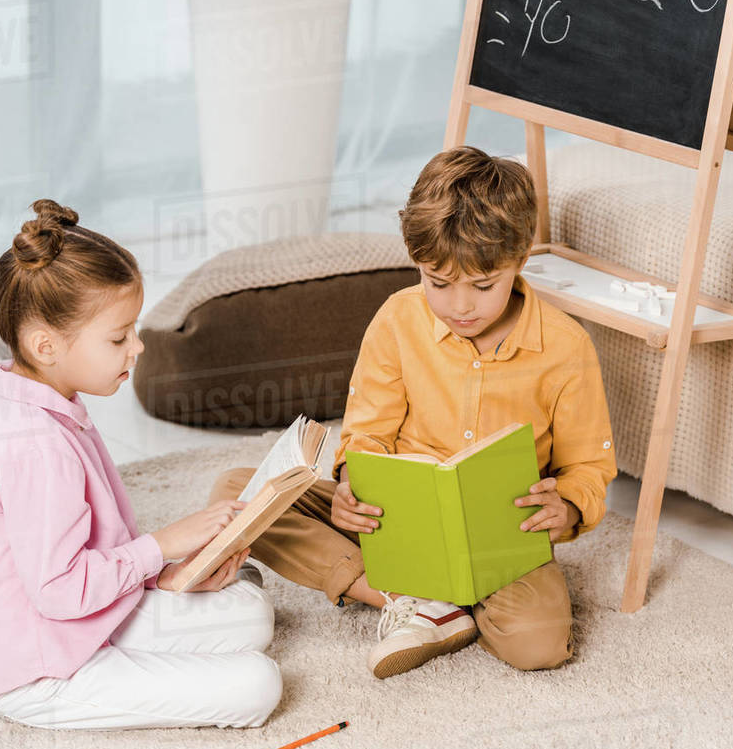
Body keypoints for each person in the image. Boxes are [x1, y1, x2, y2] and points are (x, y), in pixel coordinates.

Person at [210, 147, 617, 678]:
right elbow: (367, 433)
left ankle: (433, 603)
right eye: (438, 283)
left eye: (483, 285)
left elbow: (589, 466)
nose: (461, 306)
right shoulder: (397, 319)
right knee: (238, 496)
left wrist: (567, 505)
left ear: (519, 262)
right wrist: (353, 482)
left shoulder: (566, 346)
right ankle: (405, 598)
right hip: (392, 520)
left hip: (501, 538)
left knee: (538, 647)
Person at [0, 200, 281, 729]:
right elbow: (60, 591)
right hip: (45, 668)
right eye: (118, 336)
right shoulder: (33, 444)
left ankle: (154, 649)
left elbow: (87, 553)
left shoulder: (45, 399)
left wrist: (167, 576)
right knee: (258, 684)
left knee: (252, 614)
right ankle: (134, 670)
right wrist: (162, 546)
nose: (138, 347)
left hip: (85, 618)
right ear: (46, 345)